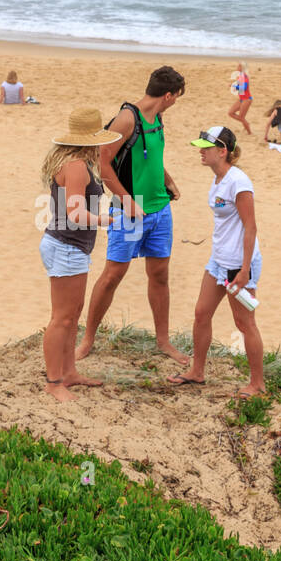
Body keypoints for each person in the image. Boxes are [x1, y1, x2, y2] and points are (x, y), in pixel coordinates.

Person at [76, 65, 188, 365]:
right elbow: (102, 163)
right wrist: (127, 201)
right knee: (113, 275)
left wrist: (168, 180)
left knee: (160, 275)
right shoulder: (127, 118)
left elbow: (150, 159)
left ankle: (163, 340)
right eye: (176, 97)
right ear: (167, 95)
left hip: (160, 209)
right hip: (130, 210)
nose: (175, 102)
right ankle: (87, 340)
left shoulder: (158, 117)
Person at [168, 126, 265, 398]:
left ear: (222, 152)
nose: (201, 151)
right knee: (201, 314)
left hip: (238, 264)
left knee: (245, 324)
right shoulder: (218, 179)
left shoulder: (238, 181)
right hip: (219, 261)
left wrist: (245, 270)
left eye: (206, 148)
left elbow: (251, 228)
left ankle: (257, 384)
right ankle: (196, 371)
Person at [39, 108, 120, 402]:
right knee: (62, 318)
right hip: (66, 245)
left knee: (72, 316)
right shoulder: (76, 166)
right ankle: (53, 382)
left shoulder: (72, 161)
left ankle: (69, 372)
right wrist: (107, 220)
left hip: (68, 245)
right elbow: (75, 213)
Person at [227, 61, 253, 134]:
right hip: (242, 99)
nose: (237, 67)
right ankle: (246, 123)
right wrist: (235, 87)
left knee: (241, 117)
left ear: (242, 68)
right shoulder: (240, 76)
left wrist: (234, 86)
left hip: (247, 99)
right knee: (230, 113)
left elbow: (243, 88)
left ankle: (249, 132)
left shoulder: (244, 76)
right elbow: (241, 90)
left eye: (239, 66)